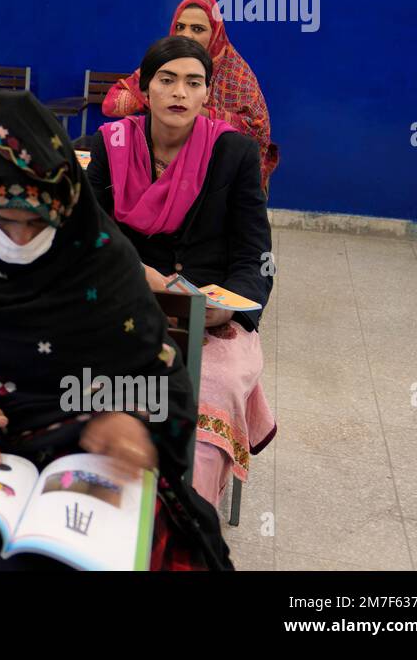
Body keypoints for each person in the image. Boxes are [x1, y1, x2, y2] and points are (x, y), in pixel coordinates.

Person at [0, 90, 232, 569]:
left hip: (95, 452)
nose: (19, 238)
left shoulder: (101, 257)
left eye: (37, 224)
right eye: (2, 221)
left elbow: (163, 376)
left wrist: (132, 419)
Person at [87, 36, 276, 509]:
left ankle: (187, 527)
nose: (179, 93)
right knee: (78, 374)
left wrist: (226, 307)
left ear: (207, 94)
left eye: (193, 83)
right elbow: (90, 239)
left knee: (209, 389)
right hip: (125, 302)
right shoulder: (109, 146)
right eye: (167, 80)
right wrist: (143, 276)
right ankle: (105, 511)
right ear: (145, 89)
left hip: (211, 321)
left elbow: (255, 253)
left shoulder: (233, 153)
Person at [102, 0, 279, 191]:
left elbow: (257, 134)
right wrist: (159, 99)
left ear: (215, 33)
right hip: (167, 169)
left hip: (222, 176)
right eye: (180, 27)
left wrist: (195, 110)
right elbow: (112, 104)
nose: (186, 35)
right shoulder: (165, 61)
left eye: (197, 29)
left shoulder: (236, 74)